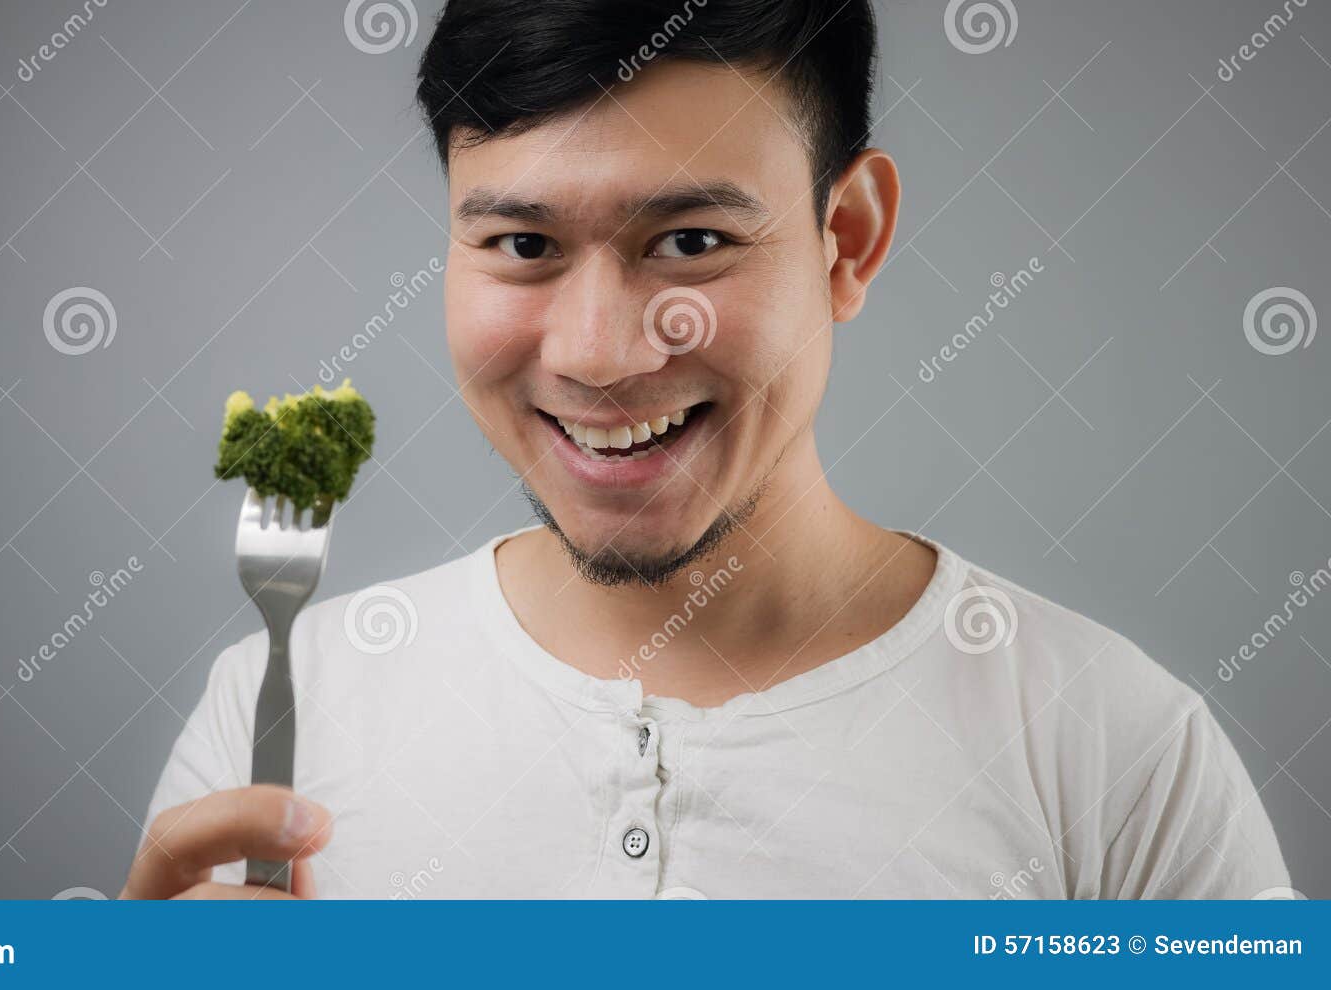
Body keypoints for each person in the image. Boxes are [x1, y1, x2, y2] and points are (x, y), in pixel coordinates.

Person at [122, 0, 1290, 900]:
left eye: (689, 240)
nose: (596, 354)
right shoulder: (278, 710)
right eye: (521, 242)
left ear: (848, 240)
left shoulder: (1114, 749)